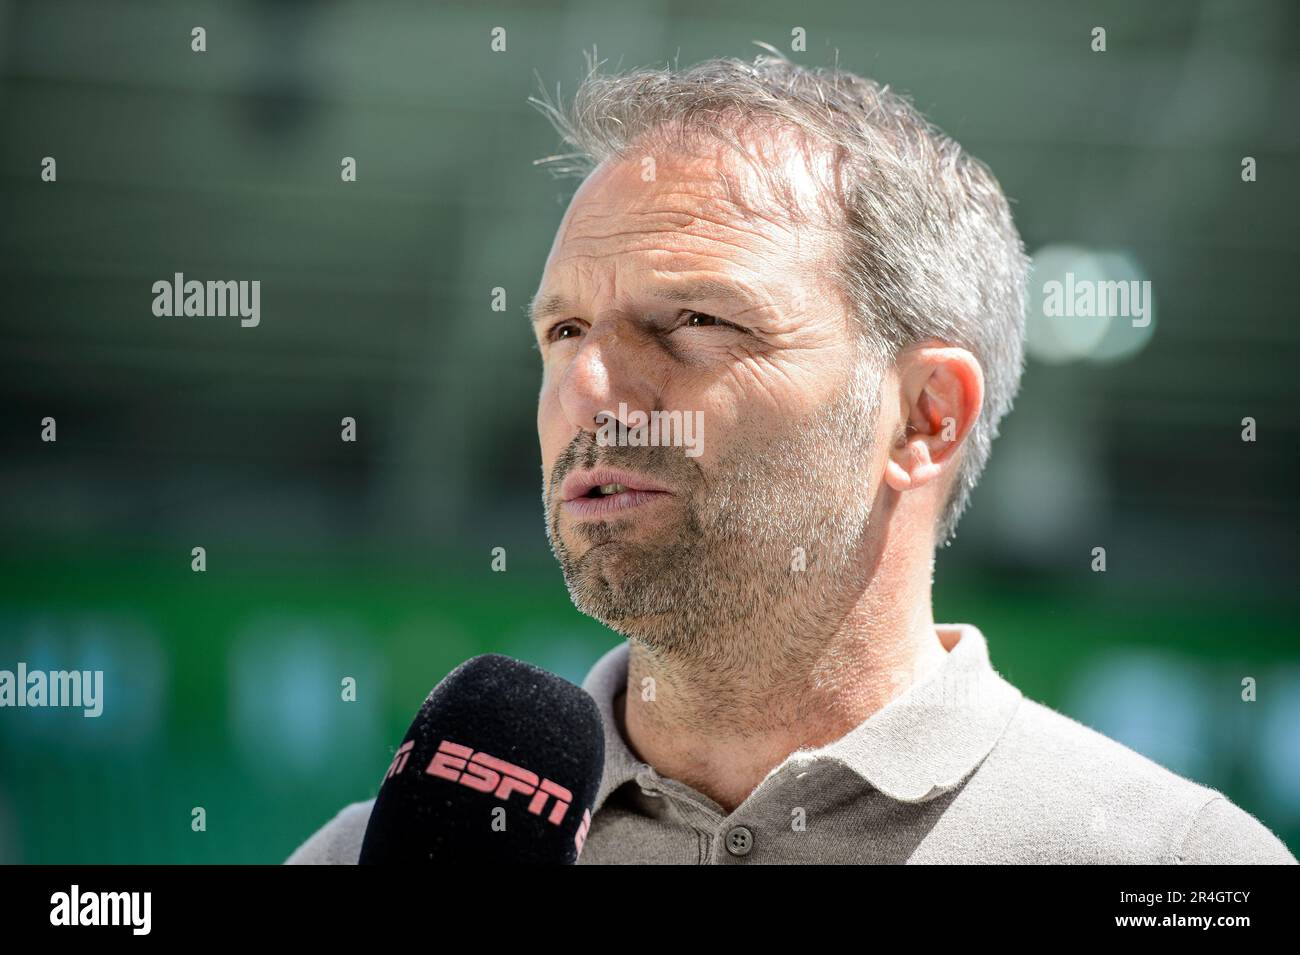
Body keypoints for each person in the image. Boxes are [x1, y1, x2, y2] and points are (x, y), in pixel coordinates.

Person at [286, 53, 1296, 864]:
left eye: (695, 319)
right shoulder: (372, 855)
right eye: (564, 333)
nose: (591, 393)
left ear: (925, 418)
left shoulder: (1174, 863)